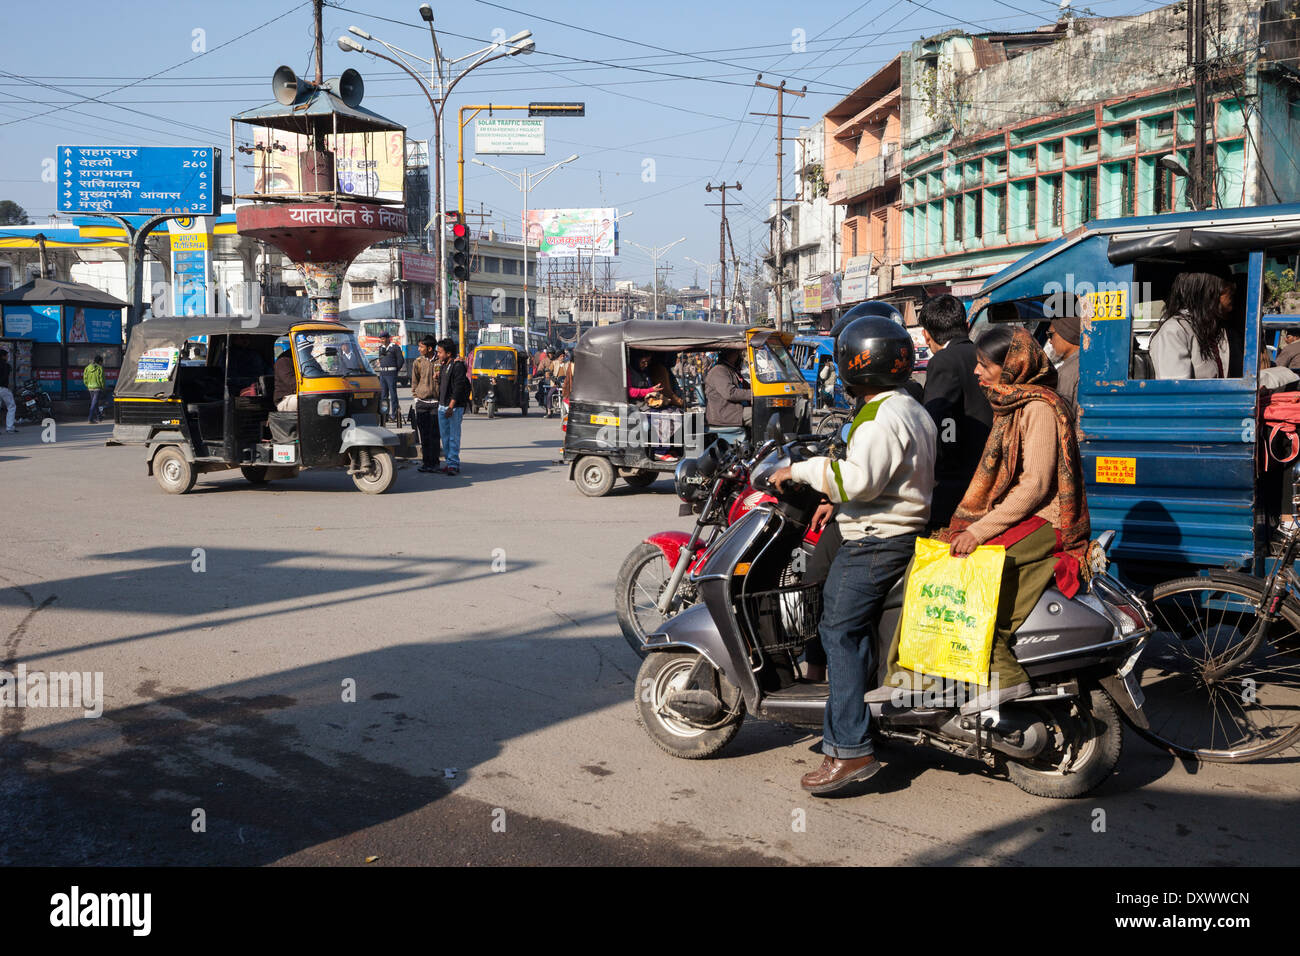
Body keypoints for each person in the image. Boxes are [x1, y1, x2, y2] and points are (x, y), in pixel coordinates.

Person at [768, 316, 937, 795]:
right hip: (896, 533)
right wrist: (834, 498)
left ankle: (849, 749)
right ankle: (866, 723)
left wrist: (800, 469)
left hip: (874, 542)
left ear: (856, 365)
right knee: (857, 633)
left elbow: (859, 480)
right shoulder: (909, 406)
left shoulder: (880, 418)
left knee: (838, 632)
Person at [907, 325, 1091, 710]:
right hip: (1028, 515)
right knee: (941, 551)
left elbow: (1035, 486)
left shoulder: (1038, 407)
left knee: (967, 571)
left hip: (1049, 520)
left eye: (984, 365)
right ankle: (931, 676)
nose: (977, 372)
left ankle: (1005, 675)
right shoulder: (1012, 402)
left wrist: (978, 531)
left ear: (1012, 366)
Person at [918, 294, 993, 530]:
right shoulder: (987, 355)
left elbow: (940, 420)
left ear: (926, 335)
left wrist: (942, 460)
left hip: (957, 484)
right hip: (990, 474)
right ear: (967, 326)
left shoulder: (944, 360)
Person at [1149, 271, 1233, 379]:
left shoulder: (1217, 328)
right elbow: (1177, 387)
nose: (1233, 288)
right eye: (1226, 283)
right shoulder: (1174, 331)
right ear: (1207, 290)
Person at [435, 338, 470, 476]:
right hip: (442, 406)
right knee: (445, 438)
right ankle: (449, 463)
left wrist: (451, 406)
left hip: (453, 407)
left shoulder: (457, 366)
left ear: (448, 353)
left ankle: (454, 464)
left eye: (440, 352)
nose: (438, 354)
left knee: (453, 437)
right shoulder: (444, 365)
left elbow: (458, 387)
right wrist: (437, 377)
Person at [411, 335, 441, 474]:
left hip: (436, 403)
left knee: (435, 435)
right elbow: (414, 381)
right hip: (421, 403)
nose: (419, 349)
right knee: (424, 435)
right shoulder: (418, 362)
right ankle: (426, 463)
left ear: (429, 348)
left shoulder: (440, 361)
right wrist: (416, 397)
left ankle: (435, 463)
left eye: (421, 347)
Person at [704, 347, 752, 429]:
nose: (740, 357)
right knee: (759, 414)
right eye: (738, 354)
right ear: (731, 355)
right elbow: (730, 393)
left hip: (733, 410)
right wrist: (753, 394)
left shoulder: (731, 370)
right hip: (725, 414)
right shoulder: (719, 370)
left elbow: (745, 385)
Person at [1047, 310, 1082, 415]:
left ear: (1067, 334)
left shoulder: (1067, 373)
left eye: (1050, 335)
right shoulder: (1085, 362)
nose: (1050, 341)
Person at [375, 332, 404, 426]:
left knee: (393, 394)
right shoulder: (381, 348)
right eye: (381, 339)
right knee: (383, 396)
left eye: (383, 338)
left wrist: (395, 370)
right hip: (383, 374)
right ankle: (385, 415)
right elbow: (380, 359)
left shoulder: (395, 347)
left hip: (391, 374)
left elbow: (401, 360)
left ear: (388, 338)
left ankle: (394, 414)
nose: (382, 340)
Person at [84, 354, 106, 424]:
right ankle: (90, 418)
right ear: (99, 362)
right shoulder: (100, 368)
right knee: (94, 403)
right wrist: (103, 387)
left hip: (90, 388)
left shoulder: (87, 368)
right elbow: (102, 379)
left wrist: (88, 385)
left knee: (95, 403)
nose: (102, 363)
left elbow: (85, 378)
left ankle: (99, 417)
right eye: (101, 362)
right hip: (97, 388)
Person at [0, 348, 16, 433]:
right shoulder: (6, 365)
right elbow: (6, 377)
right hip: (3, 388)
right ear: (3, 356)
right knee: (11, 406)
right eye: (6, 356)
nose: (7, 357)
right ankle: (10, 427)